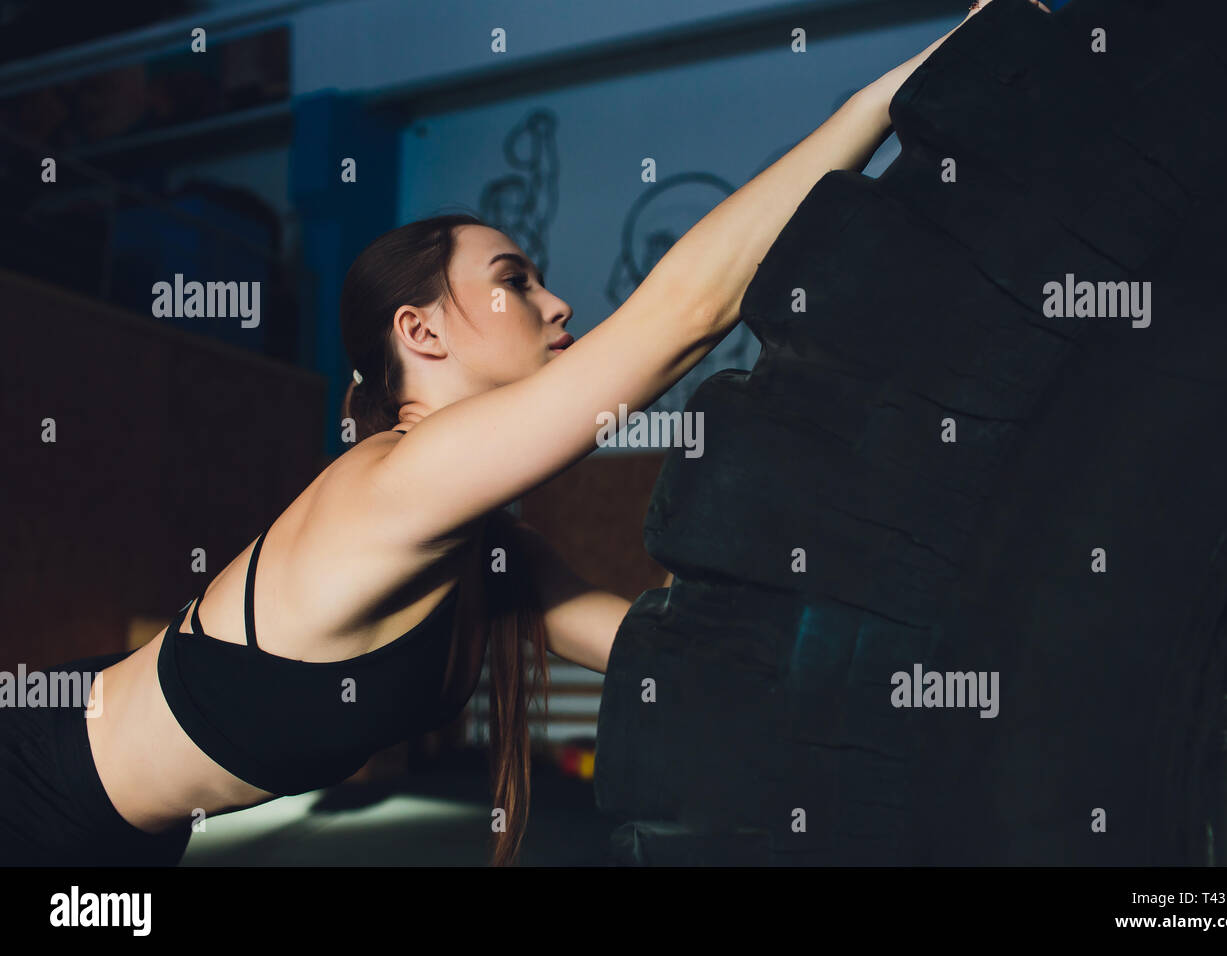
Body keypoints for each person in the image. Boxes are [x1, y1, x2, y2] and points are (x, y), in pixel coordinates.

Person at [0, 0, 1042, 868]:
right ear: (420, 332)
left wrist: (942, 669)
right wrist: (888, 99)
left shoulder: (482, 551)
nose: (557, 307)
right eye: (514, 281)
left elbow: (655, 648)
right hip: (35, 786)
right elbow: (683, 316)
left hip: (124, 836)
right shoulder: (394, 480)